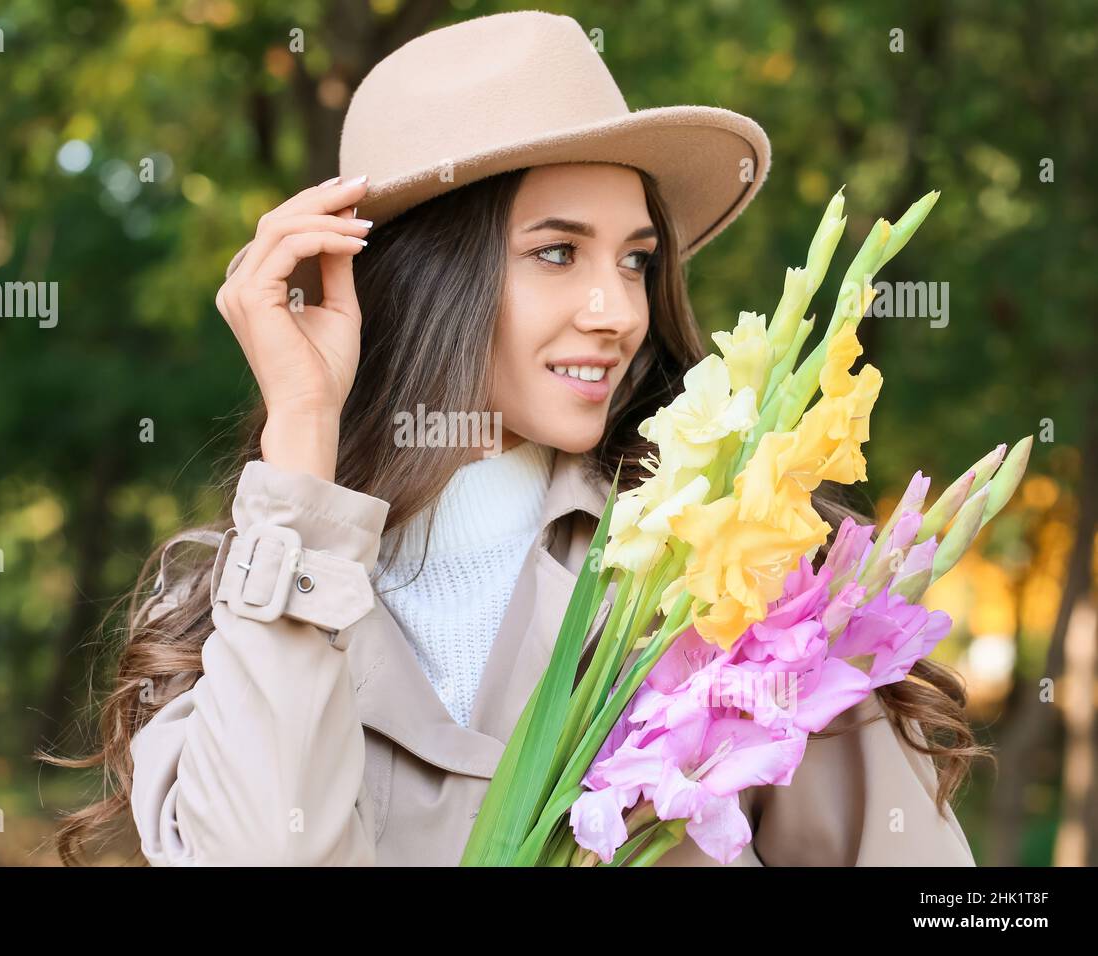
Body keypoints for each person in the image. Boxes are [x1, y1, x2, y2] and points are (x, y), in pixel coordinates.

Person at [52, 10, 984, 866]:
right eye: (555, 251)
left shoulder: (722, 575)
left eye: (636, 260)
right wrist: (302, 436)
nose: (618, 311)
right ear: (423, 277)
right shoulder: (240, 591)